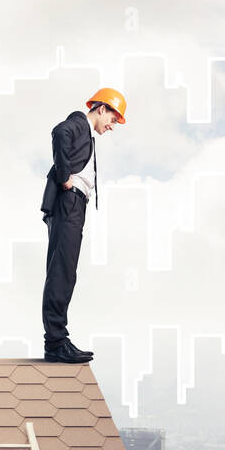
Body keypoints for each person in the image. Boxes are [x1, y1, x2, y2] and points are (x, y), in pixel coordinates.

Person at [39, 88, 127, 364]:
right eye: (113, 119)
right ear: (101, 109)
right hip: (68, 202)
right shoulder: (78, 123)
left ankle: (58, 340)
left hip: (75, 206)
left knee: (66, 272)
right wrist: (65, 176)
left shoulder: (87, 134)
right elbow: (58, 132)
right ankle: (55, 342)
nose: (112, 126)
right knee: (61, 272)